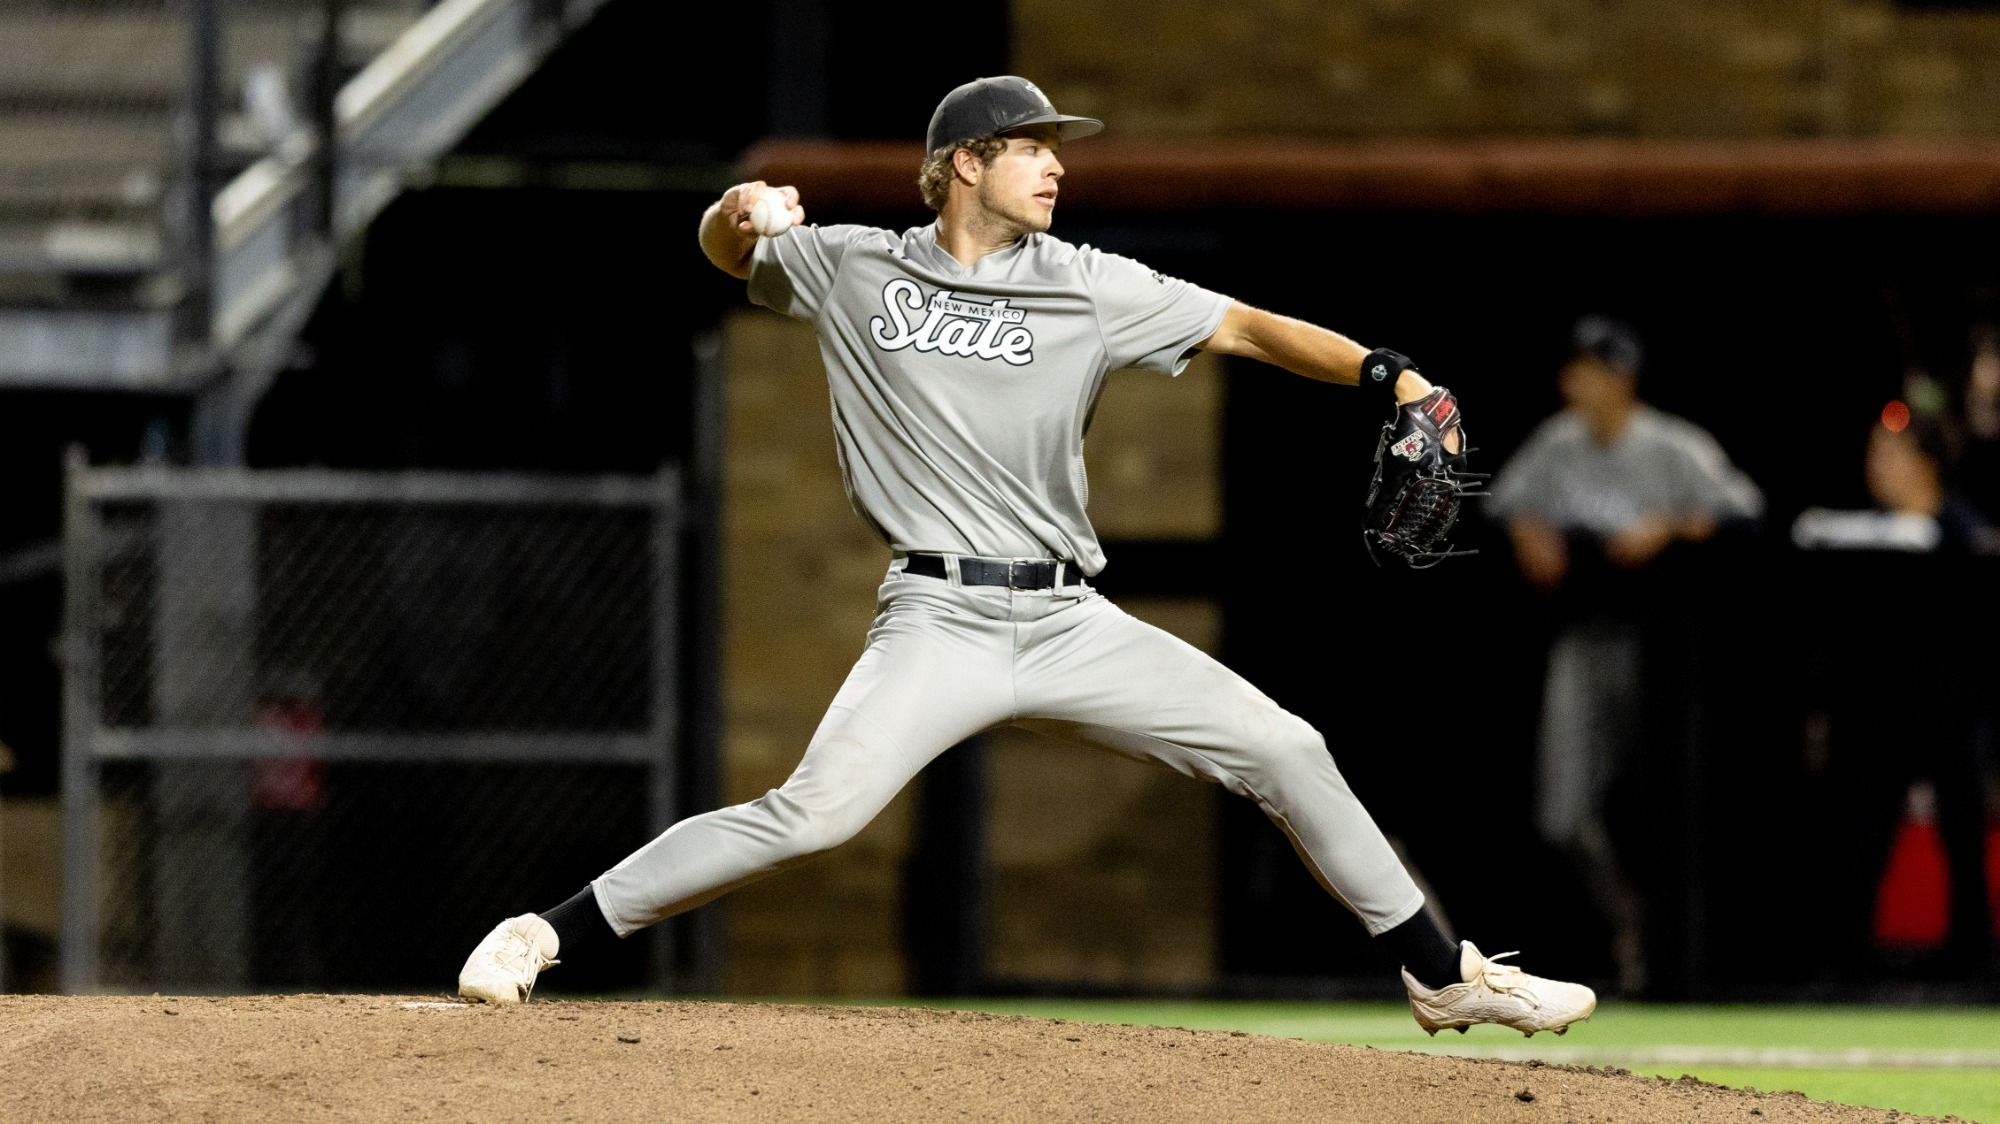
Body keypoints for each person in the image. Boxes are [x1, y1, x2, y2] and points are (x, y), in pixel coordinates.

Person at [457, 76, 1596, 1034]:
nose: (1055, 166)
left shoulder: (1089, 284)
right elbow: (724, 254)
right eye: (1029, 149)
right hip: (936, 617)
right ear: (961, 162)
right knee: (814, 814)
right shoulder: (855, 267)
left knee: (1285, 746)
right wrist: (737, 207)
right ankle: (538, 932)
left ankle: (1443, 975)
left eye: (1057, 150)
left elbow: (1246, 325)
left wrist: (1388, 373)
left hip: (1068, 620)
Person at [1488, 316, 1762, 994]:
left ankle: (1670, 949)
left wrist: (1668, 525)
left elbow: (1742, 510)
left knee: (1663, 808)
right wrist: (1528, 529)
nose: (1572, 383)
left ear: (1622, 379)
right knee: (1560, 814)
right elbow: (1505, 505)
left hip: (1662, 651)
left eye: (1587, 371)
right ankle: (1626, 915)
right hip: (1583, 638)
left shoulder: (1668, 446)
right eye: (1571, 370)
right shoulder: (1557, 443)